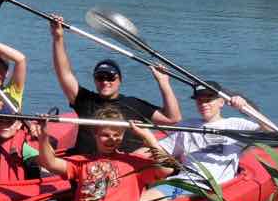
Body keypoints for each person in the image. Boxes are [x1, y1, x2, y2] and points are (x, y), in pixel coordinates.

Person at [49, 14, 180, 156]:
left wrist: (163, 82)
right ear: (94, 80)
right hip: (87, 163)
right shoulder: (85, 99)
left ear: (120, 80)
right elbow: (64, 73)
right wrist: (58, 37)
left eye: (110, 77)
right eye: (100, 77)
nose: (105, 82)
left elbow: (172, 119)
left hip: (125, 165)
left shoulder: (134, 104)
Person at [30, 107, 178, 201]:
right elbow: (50, 163)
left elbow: (166, 170)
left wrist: (149, 137)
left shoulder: (134, 162)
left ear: (122, 135)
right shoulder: (83, 161)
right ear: (95, 134)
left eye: (117, 135)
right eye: (105, 135)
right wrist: (43, 135)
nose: (111, 139)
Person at [141, 87, 261, 200]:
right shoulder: (186, 126)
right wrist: (147, 137)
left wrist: (245, 107)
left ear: (221, 102)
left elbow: (269, 131)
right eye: (200, 101)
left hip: (211, 188)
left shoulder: (236, 125)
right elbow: (162, 157)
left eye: (208, 100)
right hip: (182, 183)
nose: (203, 104)